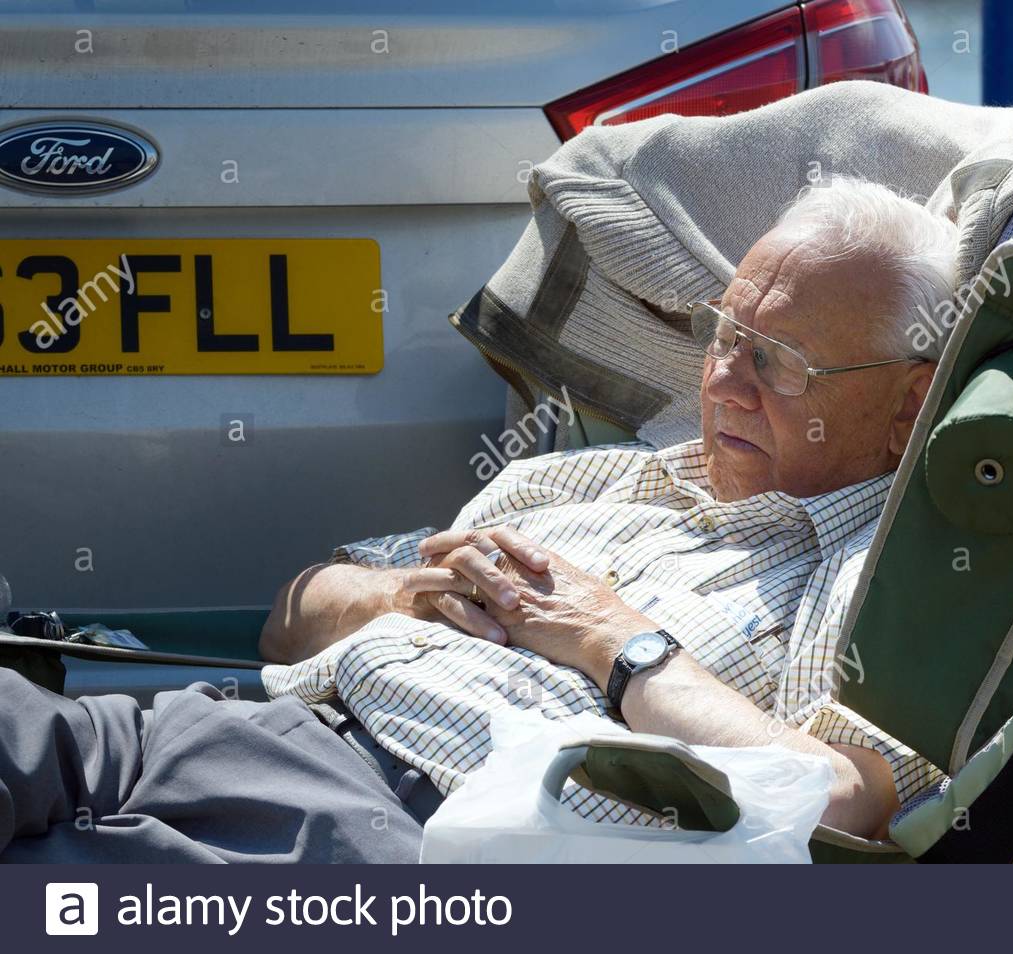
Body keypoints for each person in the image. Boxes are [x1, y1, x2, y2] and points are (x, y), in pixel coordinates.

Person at [0, 177, 960, 862]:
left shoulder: (874, 573)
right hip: (235, 728)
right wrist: (409, 598)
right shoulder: (592, 478)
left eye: (778, 364)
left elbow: (845, 805)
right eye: (723, 335)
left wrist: (617, 643)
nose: (721, 382)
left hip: (399, 826)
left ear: (911, 406)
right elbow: (291, 615)